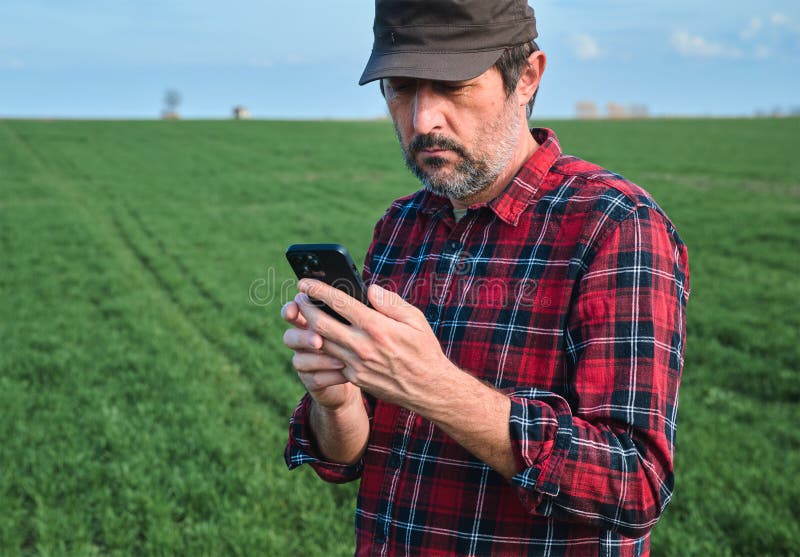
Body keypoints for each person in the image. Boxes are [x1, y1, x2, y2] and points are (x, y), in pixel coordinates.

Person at [282, 0, 690, 555]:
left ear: (526, 77)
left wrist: (435, 388)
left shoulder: (614, 225)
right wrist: (338, 403)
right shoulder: (402, 226)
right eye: (401, 87)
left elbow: (635, 485)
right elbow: (350, 455)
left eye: (452, 85)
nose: (423, 118)